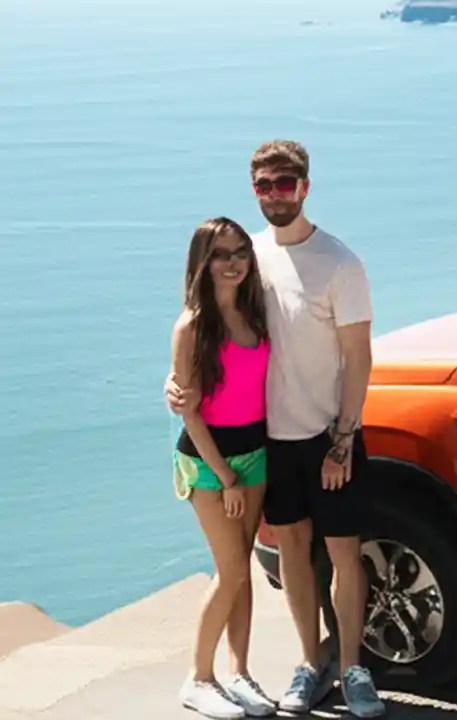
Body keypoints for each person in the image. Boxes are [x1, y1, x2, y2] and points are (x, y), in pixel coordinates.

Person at [168, 140, 384, 718]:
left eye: (285, 184)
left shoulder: (340, 263)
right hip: (271, 441)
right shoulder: (251, 257)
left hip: (329, 435)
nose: (274, 195)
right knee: (290, 550)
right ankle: (310, 664)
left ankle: (355, 668)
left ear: (306, 187)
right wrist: (176, 388)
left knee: (342, 552)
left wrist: (344, 437)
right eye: (263, 185)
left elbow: (358, 357)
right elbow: (207, 330)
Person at [171, 217, 277, 719]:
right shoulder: (192, 325)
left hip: (255, 452)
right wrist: (228, 477)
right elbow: (189, 410)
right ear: (202, 262)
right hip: (209, 462)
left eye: (239, 252)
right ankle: (199, 678)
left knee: (242, 574)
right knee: (231, 569)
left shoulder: (256, 314)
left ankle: (241, 673)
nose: (232, 262)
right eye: (220, 254)